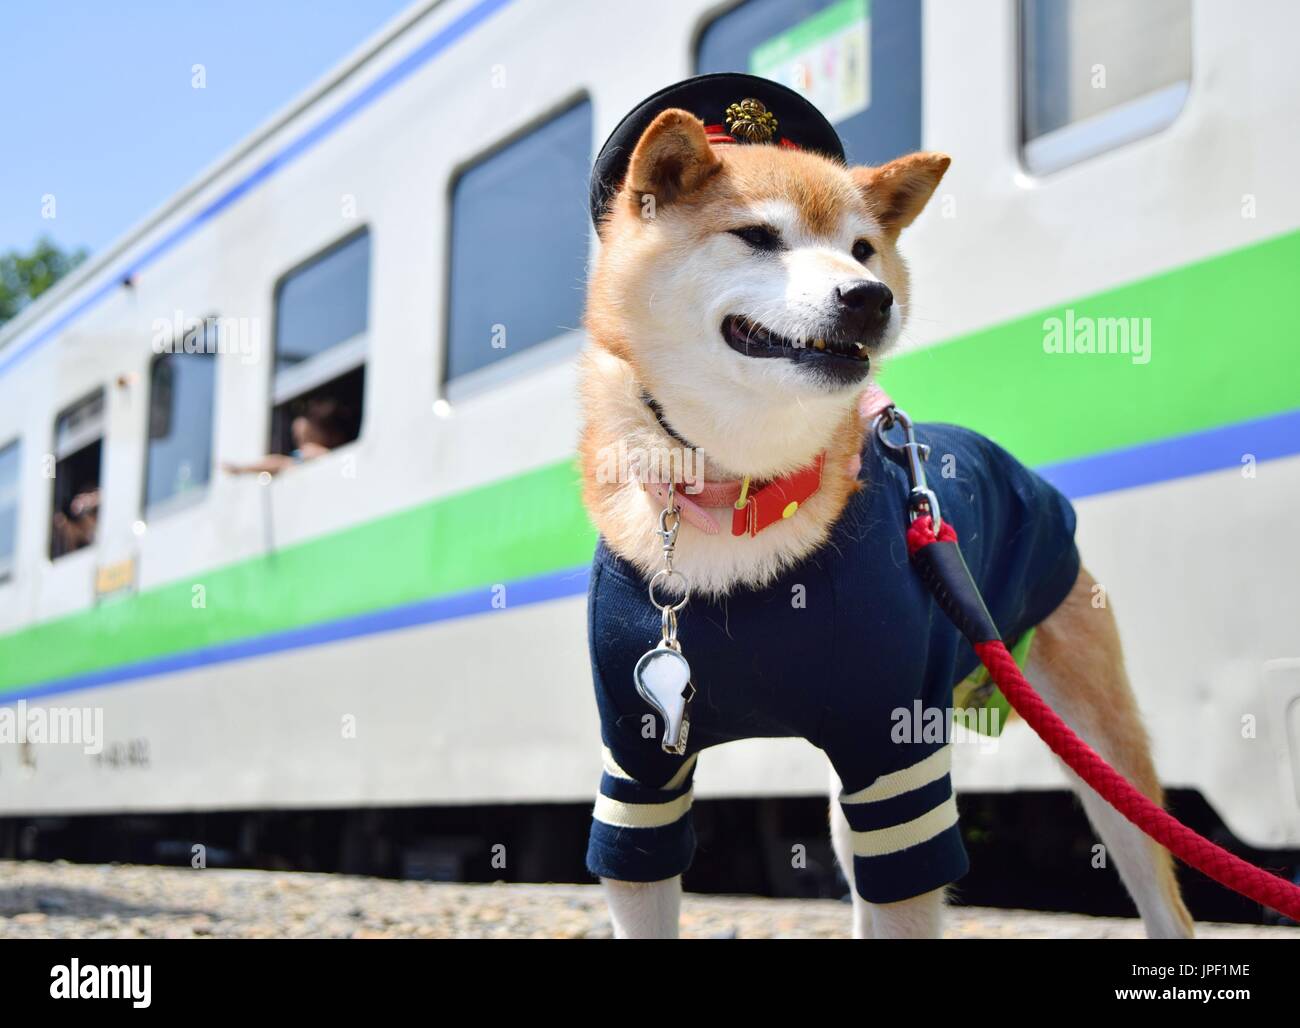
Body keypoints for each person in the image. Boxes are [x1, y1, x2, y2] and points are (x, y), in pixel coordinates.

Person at [222, 396, 355, 477]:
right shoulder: (303, 457)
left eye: (305, 438)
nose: (302, 445)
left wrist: (242, 469)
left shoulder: (316, 453)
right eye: (298, 439)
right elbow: (279, 462)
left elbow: (279, 463)